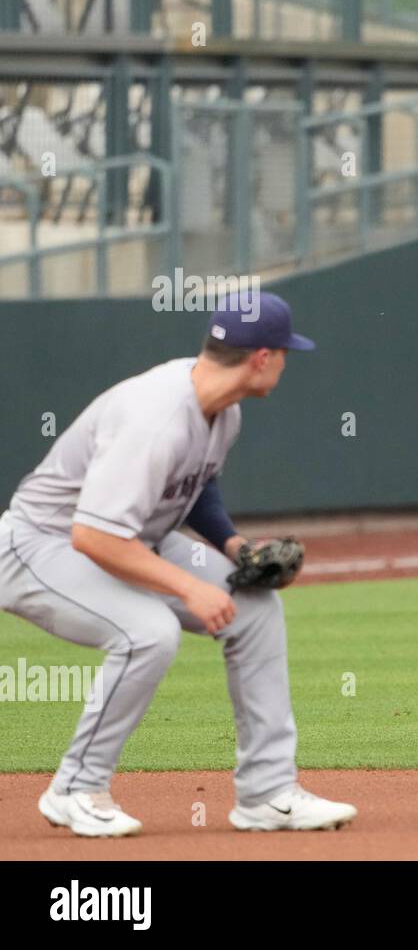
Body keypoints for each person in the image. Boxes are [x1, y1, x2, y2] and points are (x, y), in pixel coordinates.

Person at [0, 292, 357, 836]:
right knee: (149, 632)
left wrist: (235, 548)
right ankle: (75, 787)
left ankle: (267, 794)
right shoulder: (155, 418)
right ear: (262, 357)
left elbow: (195, 485)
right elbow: (93, 535)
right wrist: (189, 588)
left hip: (130, 537)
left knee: (255, 608)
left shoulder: (222, 408)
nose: (287, 361)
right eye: (285, 352)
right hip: (40, 544)